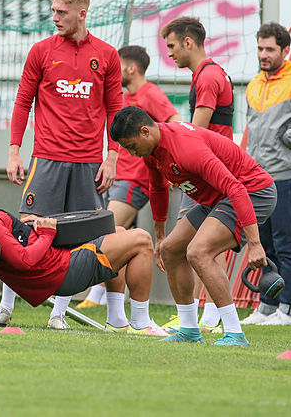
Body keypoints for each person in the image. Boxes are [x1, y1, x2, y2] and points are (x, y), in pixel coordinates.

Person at [0, 0, 123, 329]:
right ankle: (5, 308)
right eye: (52, 11)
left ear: (81, 14)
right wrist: (14, 151)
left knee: (79, 239)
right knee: (24, 231)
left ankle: (58, 315)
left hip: (88, 163)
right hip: (46, 158)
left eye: (61, 12)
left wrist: (112, 156)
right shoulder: (41, 51)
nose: (54, 17)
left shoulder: (107, 55)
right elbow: (23, 102)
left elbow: (116, 109)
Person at [0, 168, 167, 336]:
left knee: (120, 230)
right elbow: (23, 260)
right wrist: (46, 234)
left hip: (53, 266)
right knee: (141, 240)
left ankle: (117, 321)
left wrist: (30, 228)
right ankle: (140, 323)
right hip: (59, 270)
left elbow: (7, 249)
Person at [111, 106, 277, 346]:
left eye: (132, 146)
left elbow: (235, 188)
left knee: (198, 252)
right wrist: (160, 236)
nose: (132, 153)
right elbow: (157, 189)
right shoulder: (152, 153)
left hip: (253, 192)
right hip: (218, 198)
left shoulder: (187, 148)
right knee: (170, 250)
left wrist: (255, 244)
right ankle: (189, 329)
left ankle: (234, 333)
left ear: (145, 132)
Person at [76, 44, 180, 310]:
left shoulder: (151, 94)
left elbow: (175, 122)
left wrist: (166, 163)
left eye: (118, 64)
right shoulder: (123, 96)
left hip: (136, 179)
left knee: (105, 232)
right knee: (119, 236)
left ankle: (95, 297)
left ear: (131, 68)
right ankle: (111, 299)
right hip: (114, 176)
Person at [160, 16, 234, 333]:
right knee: (181, 249)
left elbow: (194, 134)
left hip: (210, 177)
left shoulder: (208, 77)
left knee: (194, 250)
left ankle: (210, 321)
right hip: (206, 175)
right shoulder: (205, 74)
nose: (170, 53)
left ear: (188, 42)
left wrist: (175, 169)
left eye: (173, 46)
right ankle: (198, 319)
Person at [240, 23, 291, 326]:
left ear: (286, 51)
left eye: (270, 49)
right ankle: (267, 306)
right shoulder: (254, 83)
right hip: (257, 176)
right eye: (260, 48)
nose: (263, 54)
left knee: (285, 244)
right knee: (265, 246)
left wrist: (289, 135)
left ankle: (288, 308)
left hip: (284, 175)